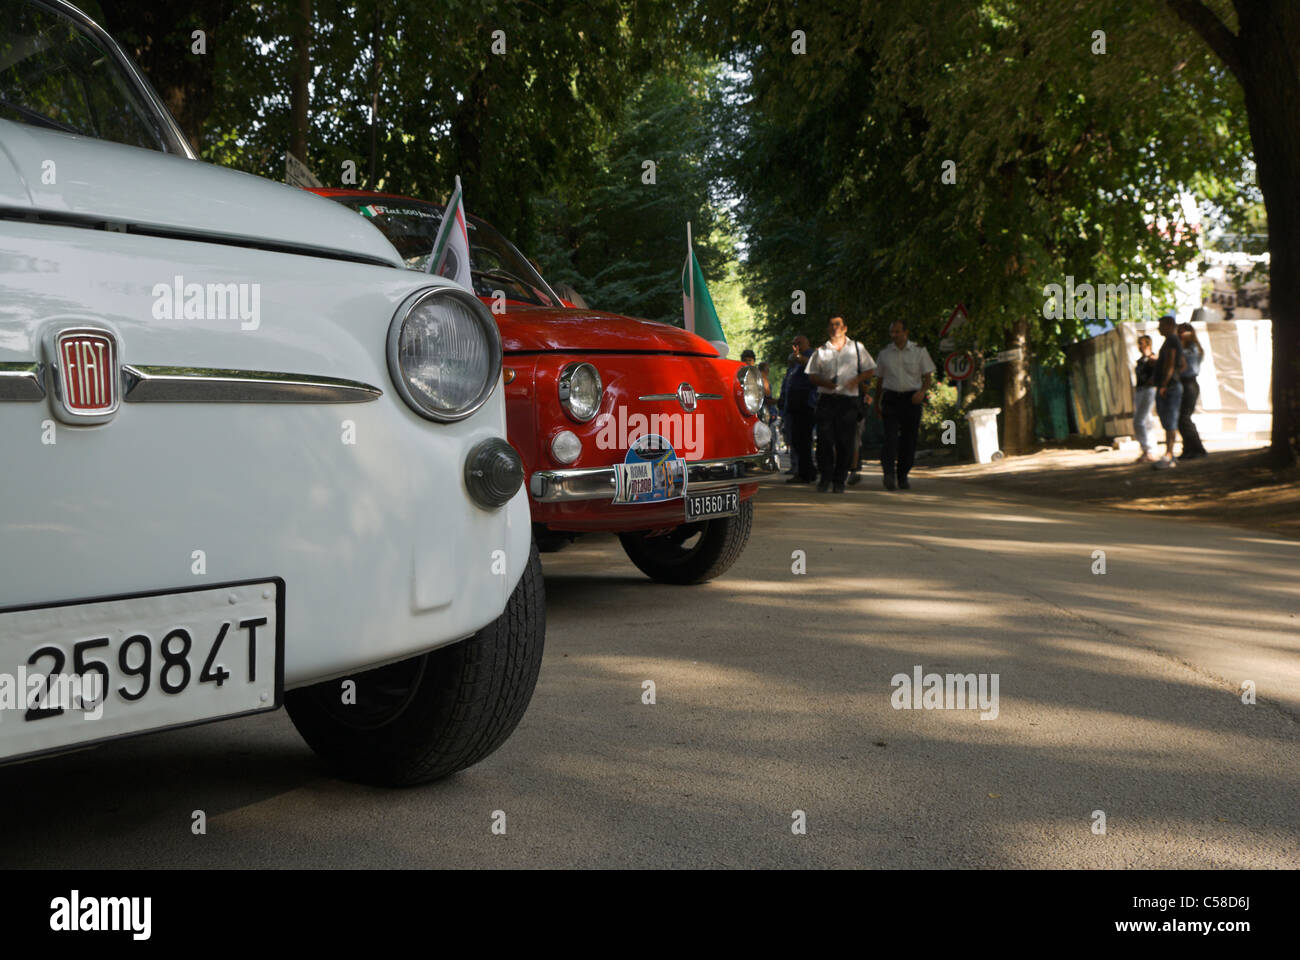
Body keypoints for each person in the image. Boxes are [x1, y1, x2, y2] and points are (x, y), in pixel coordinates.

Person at [805, 316, 875, 493]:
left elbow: (870, 370)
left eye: (837, 325)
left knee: (845, 443)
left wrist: (856, 380)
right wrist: (825, 383)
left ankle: (840, 480)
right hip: (827, 401)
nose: (834, 328)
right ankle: (825, 478)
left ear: (845, 328)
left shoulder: (857, 348)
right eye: (831, 325)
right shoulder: (821, 351)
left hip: (848, 401)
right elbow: (812, 376)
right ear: (828, 329)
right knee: (825, 441)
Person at [873, 319, 935, 490]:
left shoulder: (919, 351)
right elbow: (879, 380)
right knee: (890, 438)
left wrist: (921, 392)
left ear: (905, 332)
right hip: (891, 398)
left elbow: (928, 377)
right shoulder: (884, 354)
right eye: (892, 332)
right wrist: (877, 403)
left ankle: (903, 475)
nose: (894, 335)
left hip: (911, 399)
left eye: (897, 332)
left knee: (909, 440)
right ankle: (888, 474)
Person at [779, 336, 817, 483]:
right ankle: (804, 471)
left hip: (805, 404)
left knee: (803, 440)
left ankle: (806, 473)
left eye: (799, 343)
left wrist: (799, 357)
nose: (796, 346)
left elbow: (811, 366)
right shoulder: (793, 362)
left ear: (807, 343)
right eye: (794, 344)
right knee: (796, 440)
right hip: (794, 405)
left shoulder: (810, 356)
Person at [1153, 313, 1187, 470]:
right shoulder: (1173, 341)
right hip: (1172, 385)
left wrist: (1165, 384)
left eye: (1161, 326)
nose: (1159, 329)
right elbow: (1182, 363)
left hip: (1170, 387)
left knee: (1170, 421)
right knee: (1168, 421)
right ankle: (1169, 453)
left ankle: (1169, 454)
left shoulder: (1172, 341)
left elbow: (1172, 363)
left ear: (1168, 325)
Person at [1177, 322, 1208, 459]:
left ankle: (1197, 448)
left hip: (1189, 382)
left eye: (1183, 332)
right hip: (1183, 383)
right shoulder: (1187, 347)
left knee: (1184, 417)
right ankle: (1188, 448)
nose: (1181, 335)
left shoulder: (1192, 348)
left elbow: (1186, 364)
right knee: (1181, 418)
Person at [1133, 334, 1159, 463]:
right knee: (1147, 420)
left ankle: (1147, 449)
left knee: (1139, 421)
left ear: (1148, 344)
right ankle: (1150, 450)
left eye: (1142, 343)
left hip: (1148, 390)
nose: (1139, 347)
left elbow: (1157, 373)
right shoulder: (1140, 361)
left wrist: (1152, 381)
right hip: (1140, 390)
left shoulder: (1152, 359)